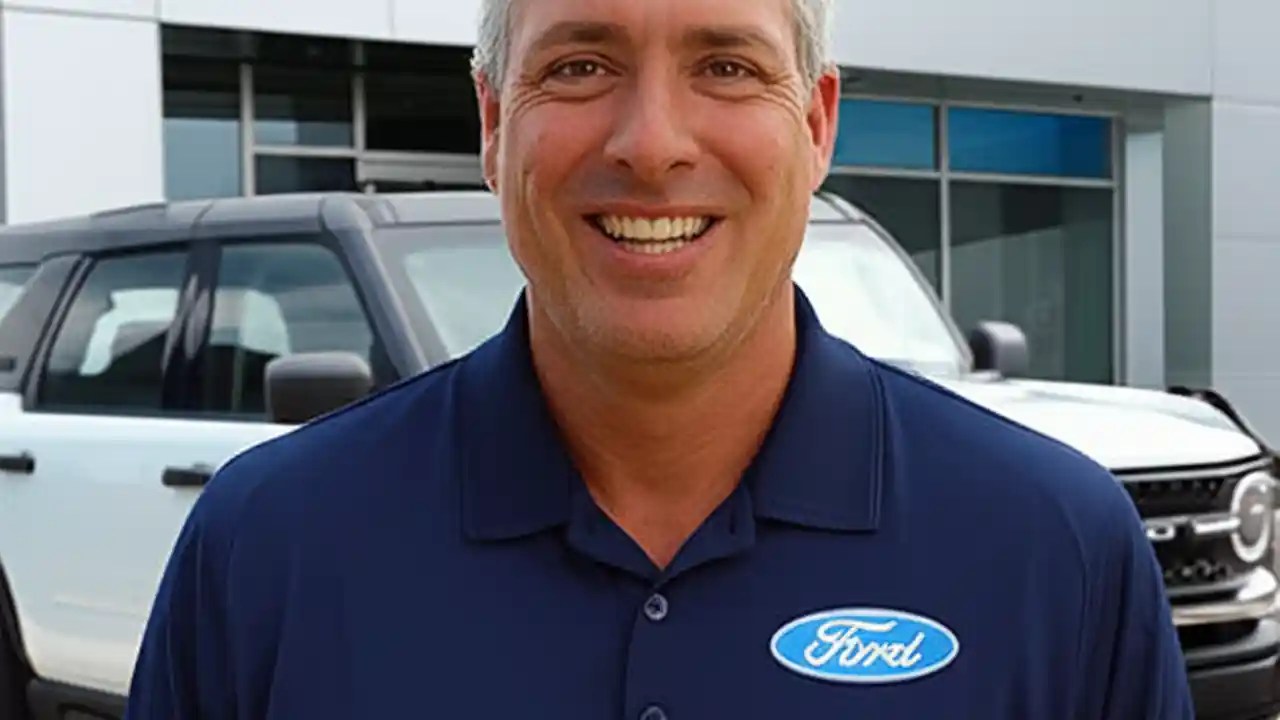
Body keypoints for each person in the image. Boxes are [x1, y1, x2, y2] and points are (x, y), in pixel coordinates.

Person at [123, 0, 1195, 717]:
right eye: (580, 65)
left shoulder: (1053, 545)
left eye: (726, 67)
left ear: (815, 124)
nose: (650, 141)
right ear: (494, 124)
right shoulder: (268, 546)